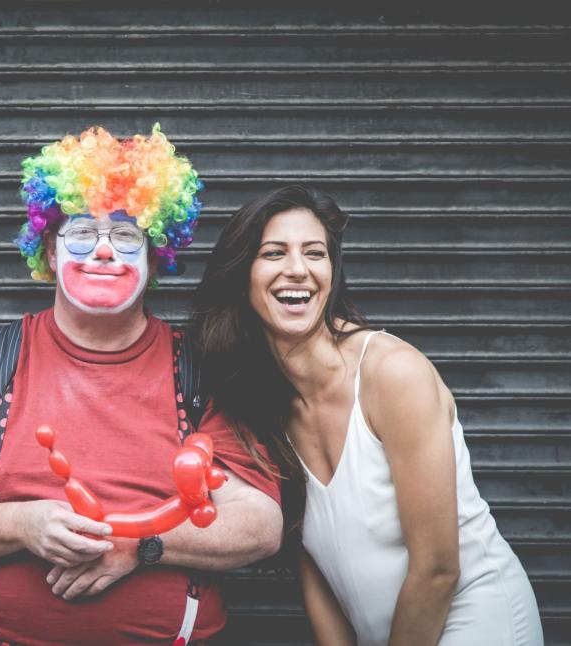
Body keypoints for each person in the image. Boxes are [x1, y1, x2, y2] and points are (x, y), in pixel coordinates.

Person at [0, 126, 284, 646]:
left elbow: (259, 525)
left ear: (155, 255)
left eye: (125, 235)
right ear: (50, 251)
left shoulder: (201, 370)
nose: (102, 252)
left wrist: (140, 545)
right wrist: (22, 524)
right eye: (80, 234)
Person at [189, 184, 544, 645]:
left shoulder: (392, 374)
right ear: (243, 276)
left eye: (315, 253)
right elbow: (313, 563)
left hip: (481, 621)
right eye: (274, 253)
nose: (298, 270)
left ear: (332, 273)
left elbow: (438, 568)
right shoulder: (265, 405)